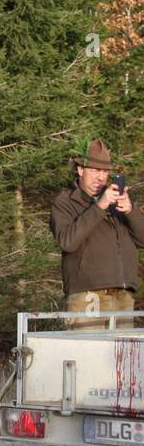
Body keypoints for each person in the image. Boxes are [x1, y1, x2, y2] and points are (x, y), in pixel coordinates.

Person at [49, 139, 142, 330]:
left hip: (123, 296)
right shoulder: (65, 203)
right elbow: (67, 241)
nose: (101, 177)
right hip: (87, 296)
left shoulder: (118, 203)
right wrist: (100, 207)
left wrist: (130, 211)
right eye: (95, 170)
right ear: (80, 170)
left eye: (105, 172)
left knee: (120, 359)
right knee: (86, 356)